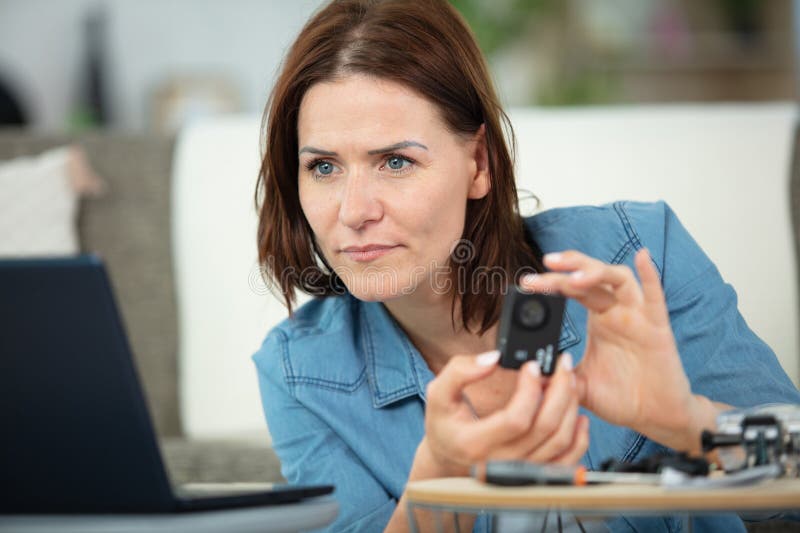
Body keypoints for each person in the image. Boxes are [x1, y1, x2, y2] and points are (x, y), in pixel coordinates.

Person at [251, 1, 800, 531]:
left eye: (396, 161)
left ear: (478, 164)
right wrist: (441, 476)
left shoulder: (638, 257)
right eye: (323, 167)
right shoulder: (299, 372)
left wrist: (687, 422)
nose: (354, 212)